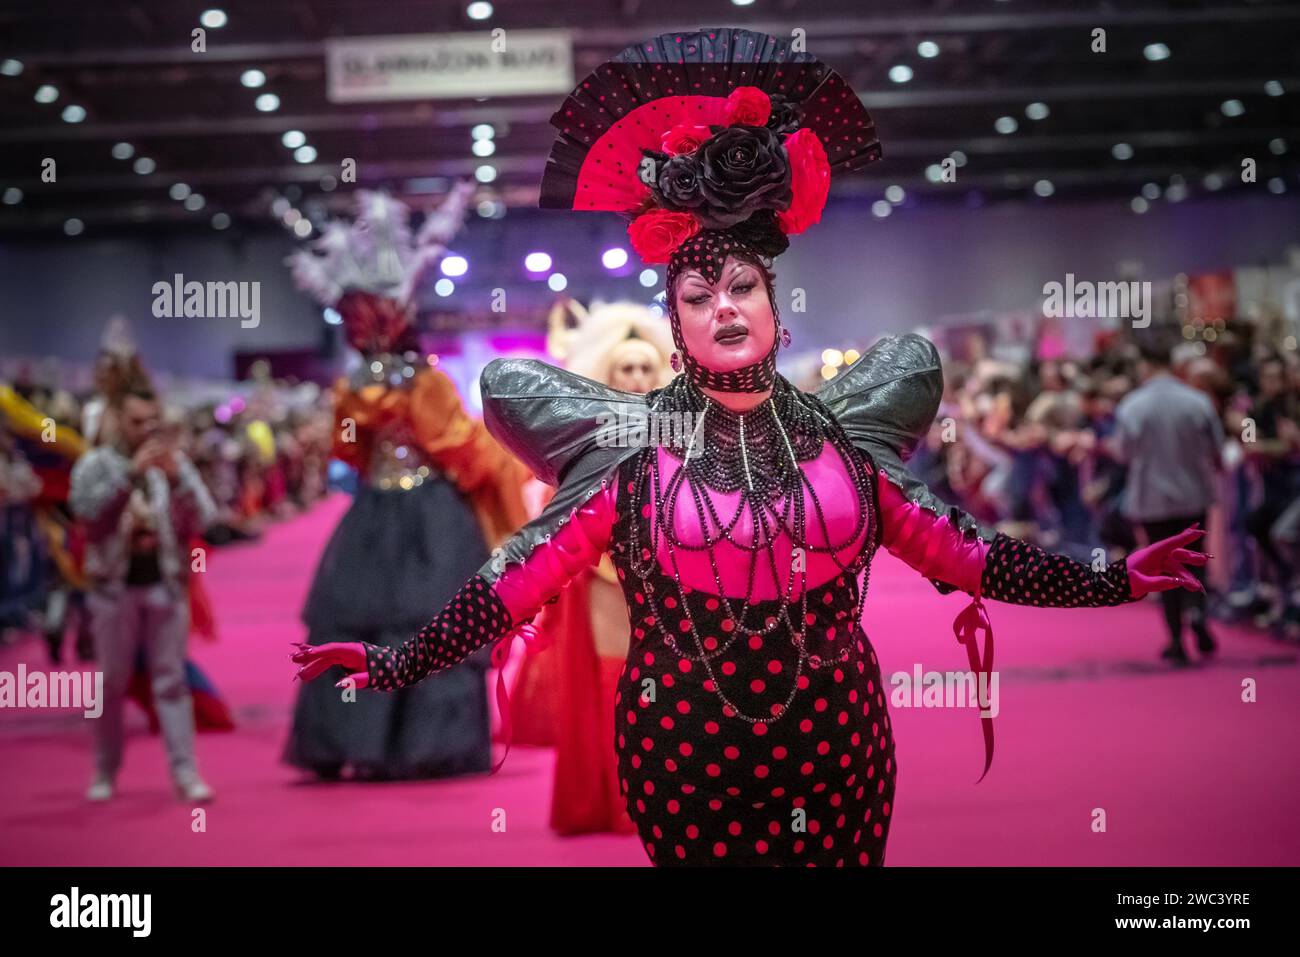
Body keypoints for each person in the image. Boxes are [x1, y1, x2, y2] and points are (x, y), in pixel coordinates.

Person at [293, 27, 1206, 866]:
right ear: (678, 323)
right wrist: (394, 660)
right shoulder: (630, 458)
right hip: (681, 757)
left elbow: (974, 557)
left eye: (741, 286)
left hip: (840, 752)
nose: (724, 305)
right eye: (698, 295)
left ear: (773, 305)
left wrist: (1115, 577)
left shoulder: (846, 447)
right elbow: (516, 583)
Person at [283, 185, 531, 780]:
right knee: (425, 617)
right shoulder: (425, 382)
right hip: (429, 513)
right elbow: (459, 452)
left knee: (375, 616)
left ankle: (364, 745)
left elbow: (350, 447)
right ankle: (422, 747)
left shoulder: (364, 385)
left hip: (375, 514)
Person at [70, 383, 218, 803]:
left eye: (151, 421)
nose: (146, 430)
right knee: (111, 683)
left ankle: (186, 774)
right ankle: (105, 770)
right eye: (136, 422)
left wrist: (178, 483)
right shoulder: (95, 464)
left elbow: (205, 518)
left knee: (171, 682)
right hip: (112, 589)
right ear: (117, 419)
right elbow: (89, 520)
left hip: (165, 584)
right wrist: (128, 476)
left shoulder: (172, 463)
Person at [1112, 337, 1224, 663]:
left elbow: (1124, 452)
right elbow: (1215, 450)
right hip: (1193, 494)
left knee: (1162, 566)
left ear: (1144, 365)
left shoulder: (1132, 405)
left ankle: (1176, 639)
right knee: (1195, 558)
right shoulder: (1197, 401)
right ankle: (1199, 613)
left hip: (1152, 498)